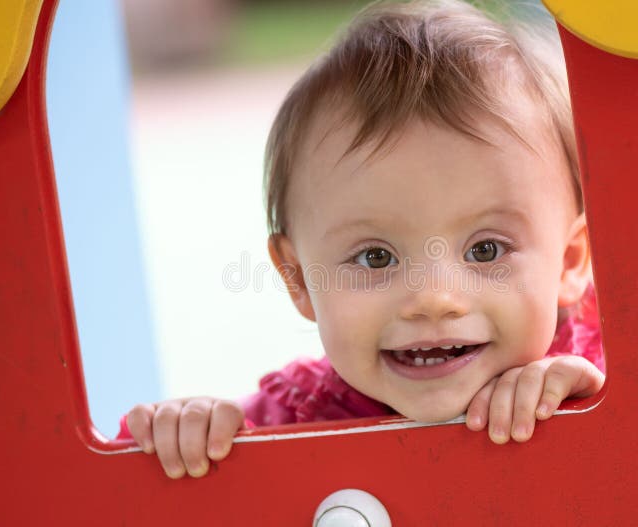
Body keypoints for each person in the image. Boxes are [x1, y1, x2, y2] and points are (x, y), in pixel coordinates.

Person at [119, 0, 606, 479]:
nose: (433, 300)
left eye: (486, 250)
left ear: (568, 262)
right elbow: (105, 486)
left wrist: (596, 406)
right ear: (299, 279)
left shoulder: (602, 373)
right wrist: (189, 435)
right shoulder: (298, 413)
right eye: (375, 257)